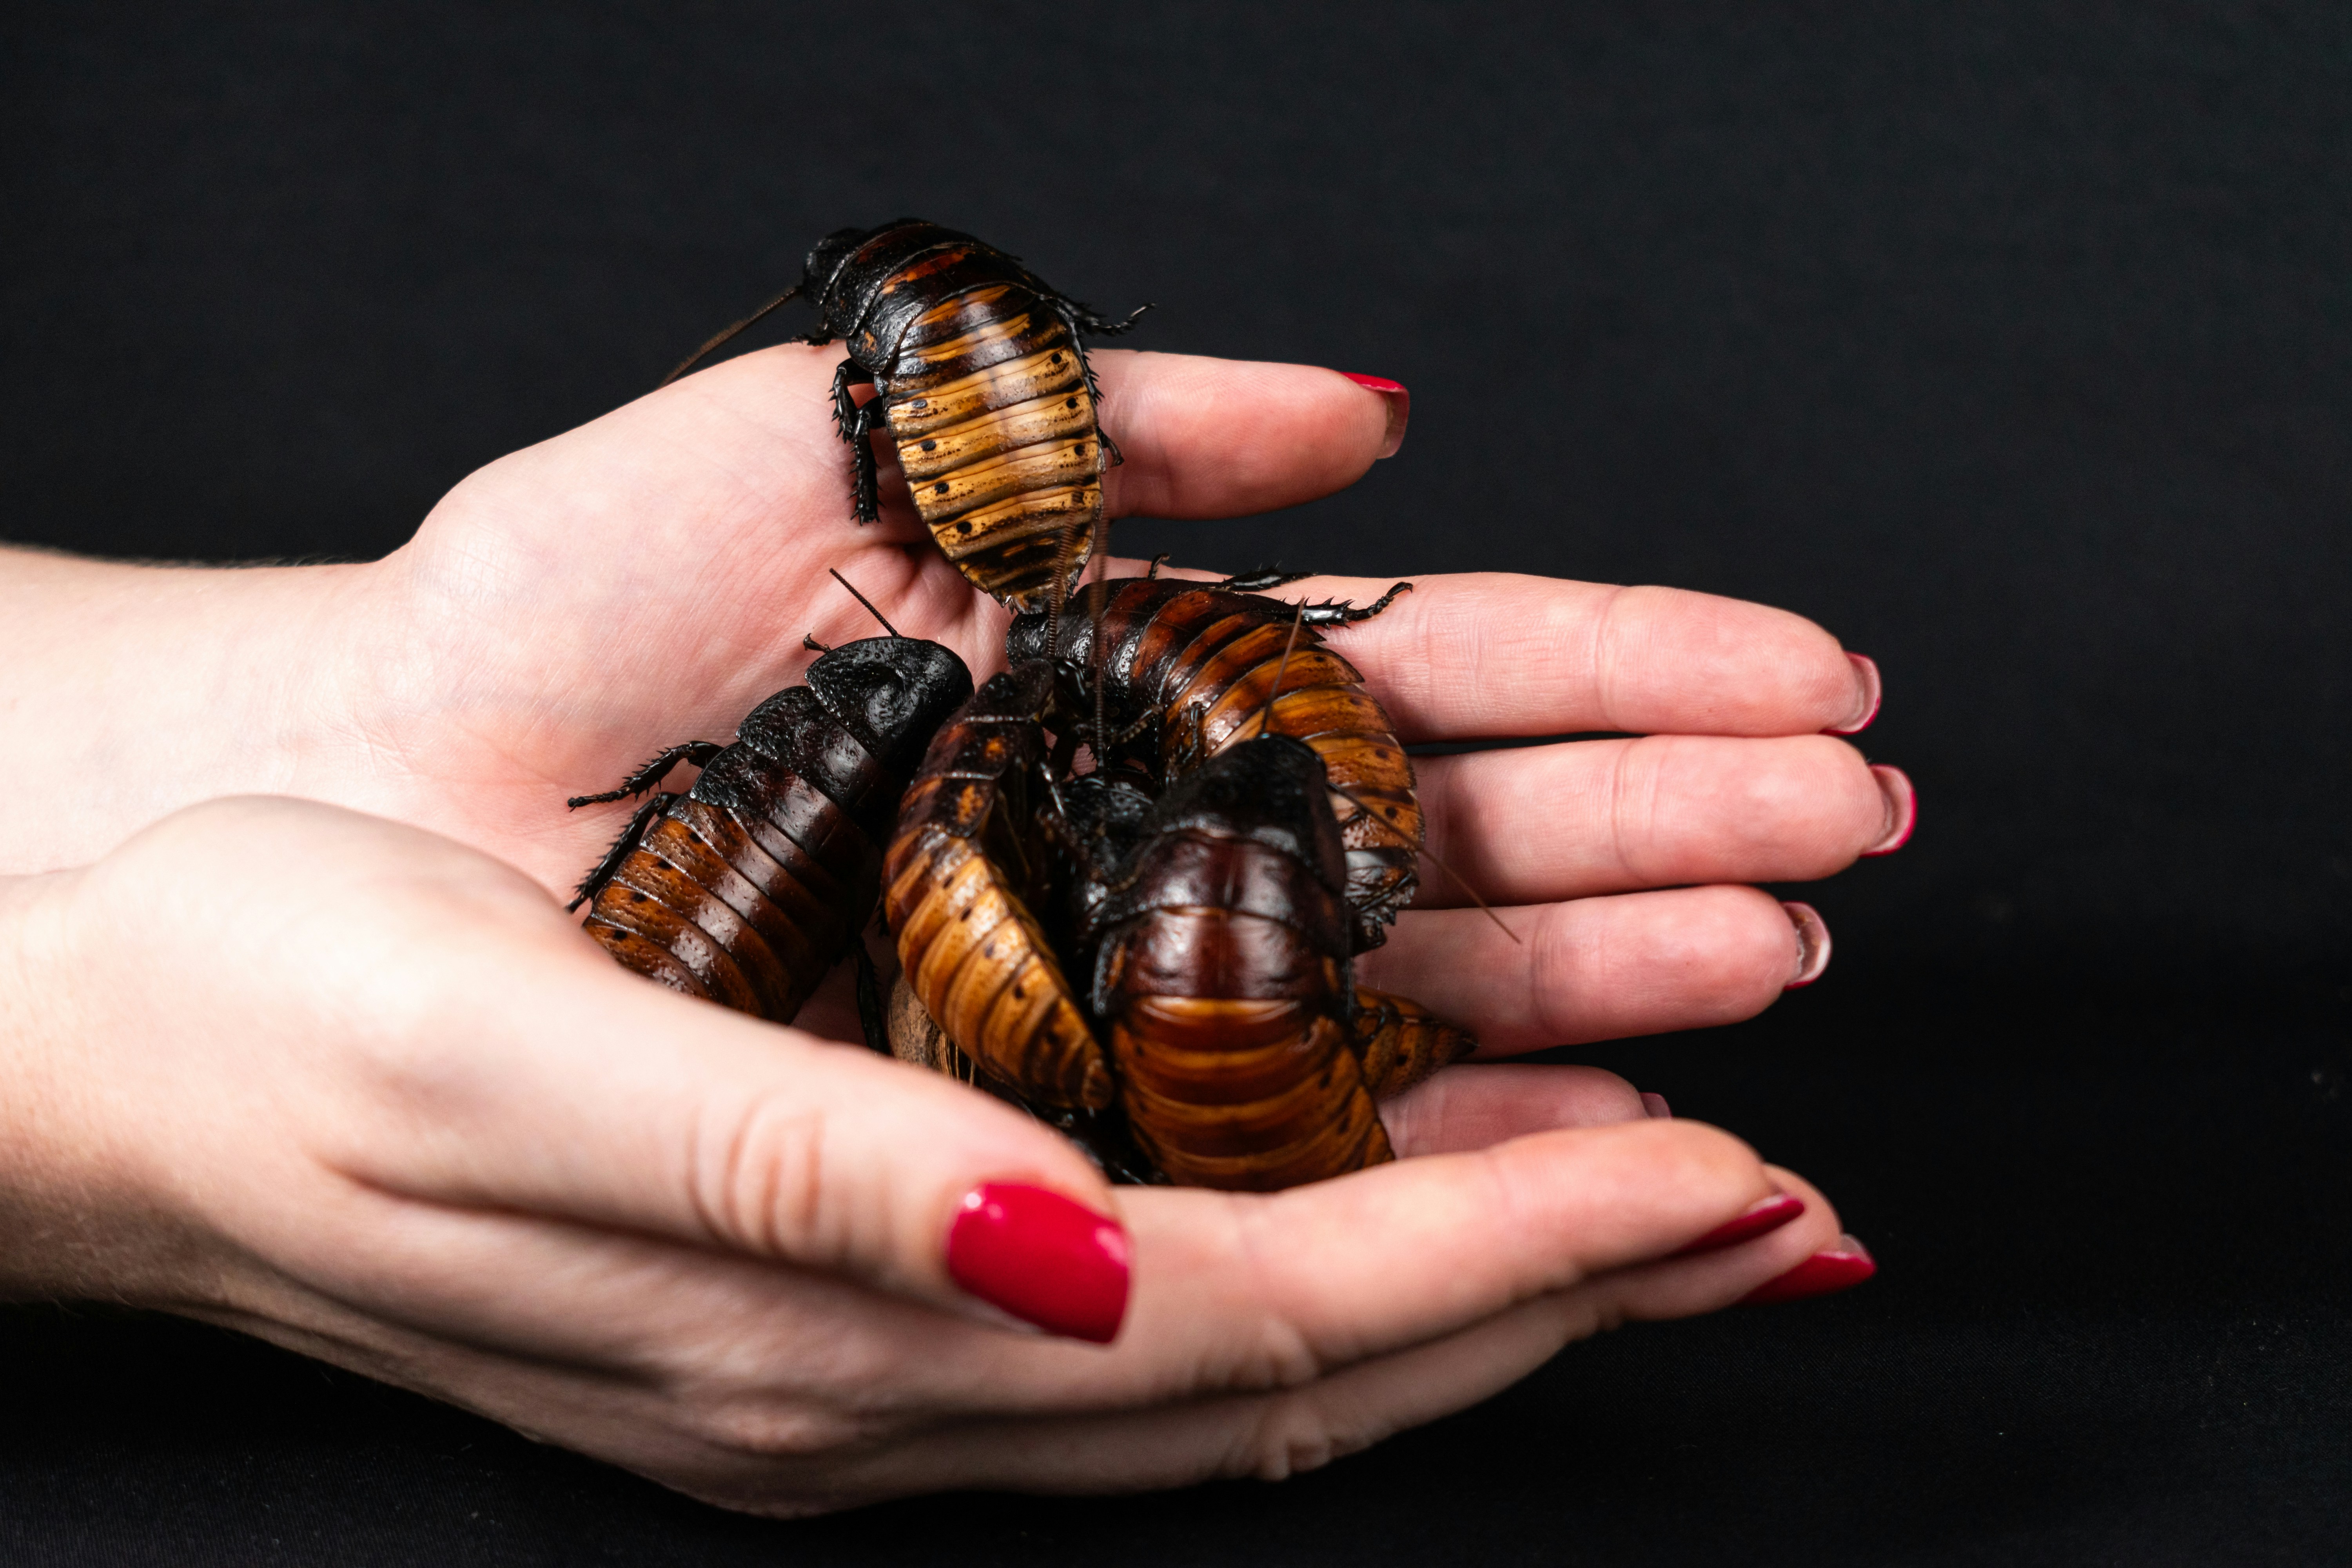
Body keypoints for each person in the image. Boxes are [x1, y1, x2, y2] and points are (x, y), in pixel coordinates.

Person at [0, 347, 1911, 1515]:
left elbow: (748, 806)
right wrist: (86, 1081)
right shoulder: (974, 788)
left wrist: (268, 719)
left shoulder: (951, 790)